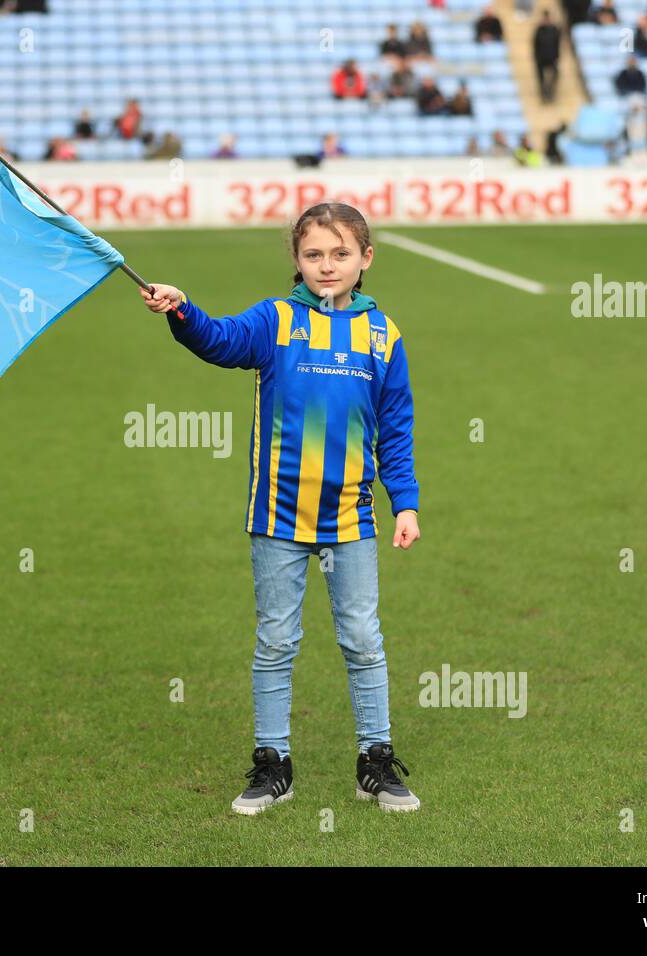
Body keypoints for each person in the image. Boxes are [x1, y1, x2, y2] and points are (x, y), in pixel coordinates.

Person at [136, 201, 422, 815]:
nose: (327, 265)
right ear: (296, 260)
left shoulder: (383, 335)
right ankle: (274, 764)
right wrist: (183, 312)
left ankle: (375, 760)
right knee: (275, 641)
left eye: (341, 254)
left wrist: (407, 504)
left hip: (352, 518)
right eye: (314, 254)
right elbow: (219, 340)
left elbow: (395, 428)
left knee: (363, 639)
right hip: (278, 516)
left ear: (365, 259)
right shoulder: (275, 321)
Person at [533, 10, 561, 104]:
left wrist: (557, 56)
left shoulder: (554, 30)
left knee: (554, 75)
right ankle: (544, 94)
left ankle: (550, 92)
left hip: (552, 57)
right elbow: (535, 45)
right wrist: (536, 57)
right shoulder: (539, 30)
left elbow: (557, 44)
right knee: (541, 78)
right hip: (541, 58)